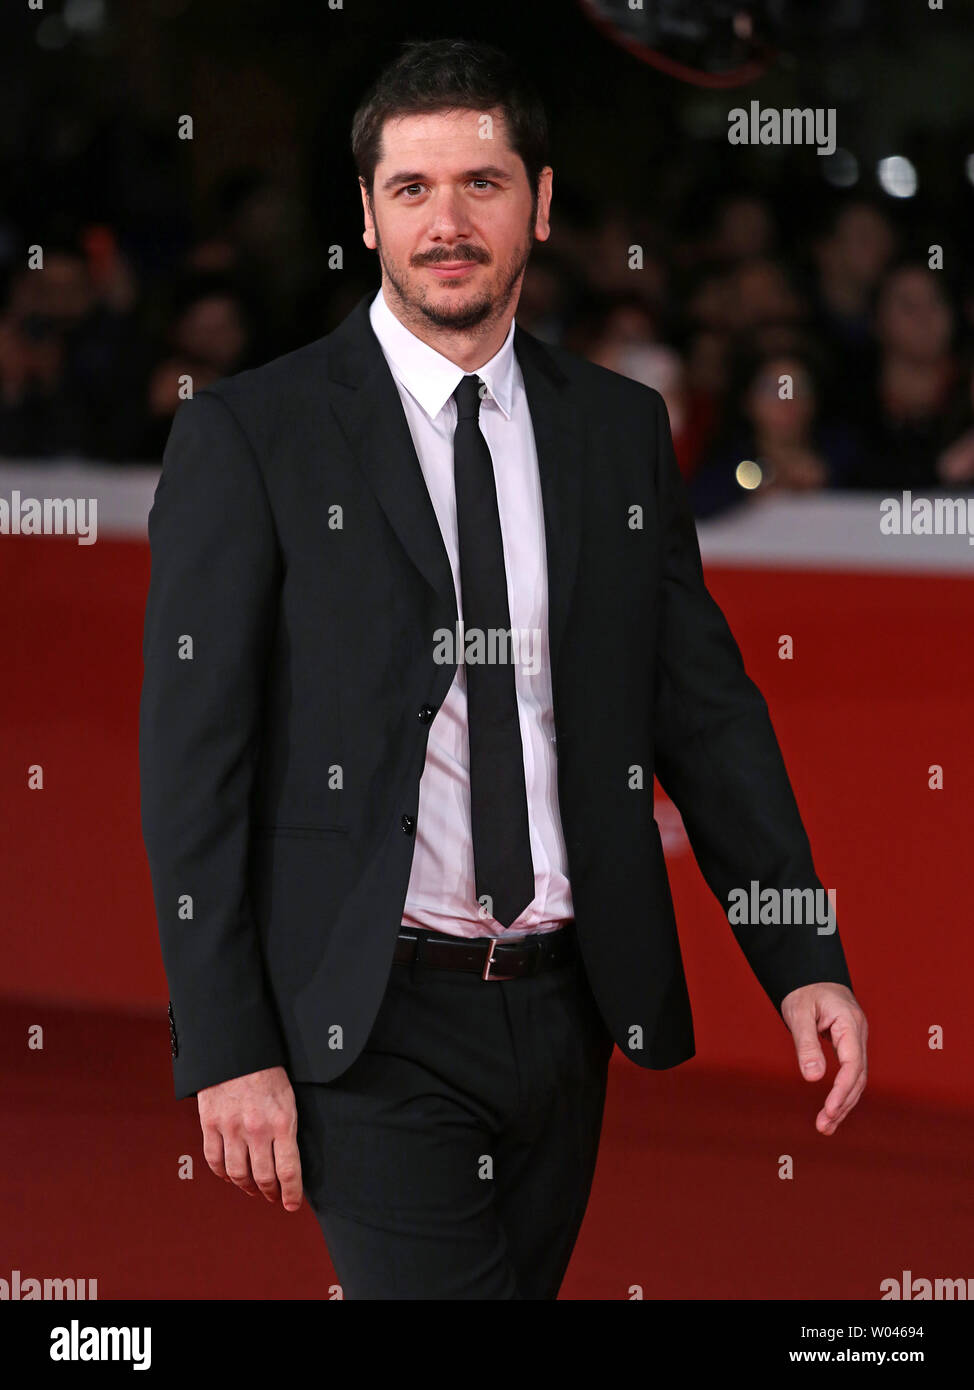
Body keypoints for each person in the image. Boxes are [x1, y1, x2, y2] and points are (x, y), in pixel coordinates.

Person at [139, 37, 868, 1302]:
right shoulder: (250, 437)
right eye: (411, 190)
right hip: (367, 1020)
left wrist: (801, 952)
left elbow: (702, 715)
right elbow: (193, 765)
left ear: (537, 202)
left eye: (479, 183)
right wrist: (224, 1043)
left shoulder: (613, 430)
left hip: (565, 1009)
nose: (446, 222)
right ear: (365, 218)